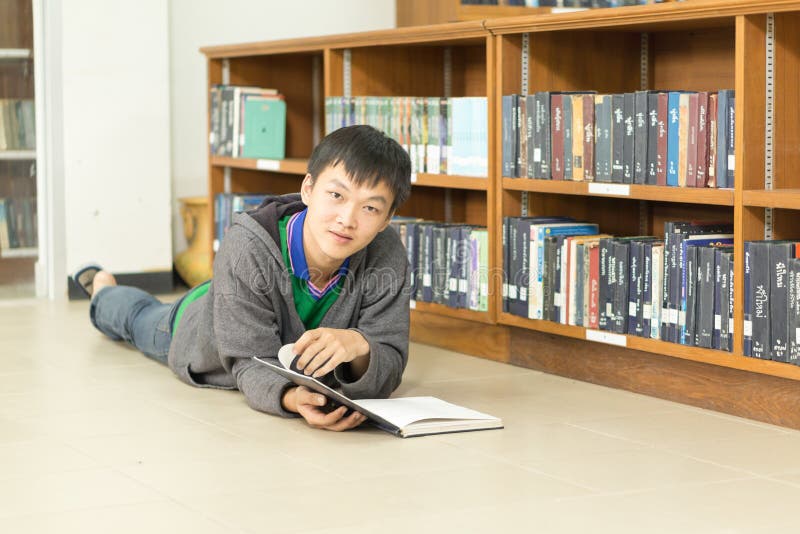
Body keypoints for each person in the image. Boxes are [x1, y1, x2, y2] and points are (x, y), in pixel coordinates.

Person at [73, 125, 412, 432]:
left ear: (387, 218)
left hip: (242, 293)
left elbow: (390, 359)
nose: (347, 219)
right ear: (308, 188)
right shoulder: (247, 244)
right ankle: (102, 288)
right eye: (336, 195)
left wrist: (360, 346)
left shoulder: (386, 254)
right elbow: (247, 359)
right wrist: (291, 398)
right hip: (200, 325)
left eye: (370, 208)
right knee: (138, 318)